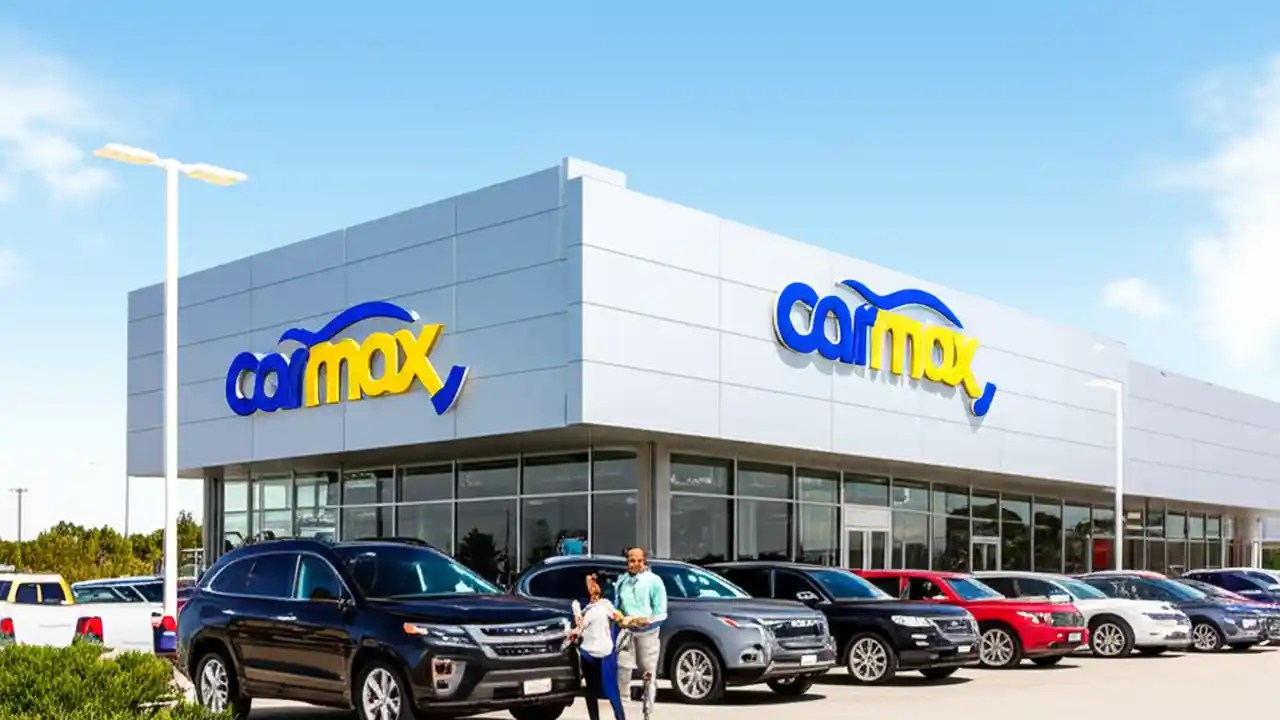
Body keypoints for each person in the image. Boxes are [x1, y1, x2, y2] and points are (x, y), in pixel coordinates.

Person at [613, 547, 667, 712]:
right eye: (631, 560)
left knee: (648, 673)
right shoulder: (621, 581)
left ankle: (647, 710)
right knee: (623, 668)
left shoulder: (654, 581)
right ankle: (622, 708)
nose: (635, 564)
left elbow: (660, 612)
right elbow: (617, 606)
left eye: (639, 560)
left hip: (648, 633)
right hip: (627, 632)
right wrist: (618, 616)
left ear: (644, 561)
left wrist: (645, 620)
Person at [570, 574, 625, 720]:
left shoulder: (605, 605)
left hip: (606, 653)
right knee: (591, 692)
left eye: (595, 582)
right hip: (588, 654)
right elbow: (579, 628)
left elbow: (617, 616)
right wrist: (574, 632)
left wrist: (623, 619)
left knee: (612, 691)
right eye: (589, 583)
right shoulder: (582, 608)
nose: (593, 587)